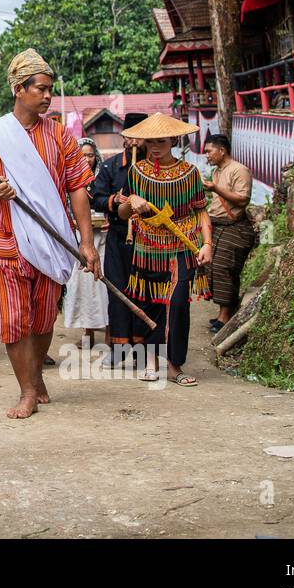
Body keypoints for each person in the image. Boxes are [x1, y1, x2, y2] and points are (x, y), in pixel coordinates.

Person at [0, 50, 99, 419]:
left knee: (42, 319)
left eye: (50, 90)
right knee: (12, 319)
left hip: (52, 240)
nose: (47, 96)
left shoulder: (60, 136)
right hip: (6, 241)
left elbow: (78, 188)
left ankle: (35, 376)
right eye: (40, 89)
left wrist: (86, 242)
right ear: (18, 89)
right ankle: (27, 391)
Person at [116, 113, 213, 386]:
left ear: (173, 139)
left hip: (182, 247)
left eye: (161, 141)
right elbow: (123, 214)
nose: (154, 147)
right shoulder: (136, 172)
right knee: (150, 304)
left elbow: (201, 211)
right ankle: (150, 361)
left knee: (178, 303)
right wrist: (131, 200)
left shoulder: (190, 173)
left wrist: (207, 243)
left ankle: (174, 366)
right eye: (149, 142)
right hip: (147, 248)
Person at [90, 112, 148, 366]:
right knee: (118, 291)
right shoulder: (111, 166)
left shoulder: (155, 167)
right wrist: (115, 201)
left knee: (144, 292)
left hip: (148, 240)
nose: (134, 142)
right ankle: (119, 348)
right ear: (124, 136)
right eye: (130, 136)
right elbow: (97, 197)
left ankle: (142, 348)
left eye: (139, 137)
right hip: (118, 236)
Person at [203, 134, 254, 332]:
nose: (206, 155)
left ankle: (225, 315)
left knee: (225, 268)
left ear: (221, 150)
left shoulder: (239, 170)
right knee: (212, 268)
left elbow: (242, 200)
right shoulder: (217, 172)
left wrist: (215, 188)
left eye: (209, 151)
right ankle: (222, 312)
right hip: (217, 226)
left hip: (235, 227)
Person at [63, 138, 109, 343]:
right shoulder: (69, 178)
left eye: (90, 155)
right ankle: (87, 331)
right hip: (79, 237)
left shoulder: (103, 177)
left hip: (102, 237)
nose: (87, 159)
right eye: (82, 155)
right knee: (81, 283)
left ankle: (109, 331)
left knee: (102, 283)